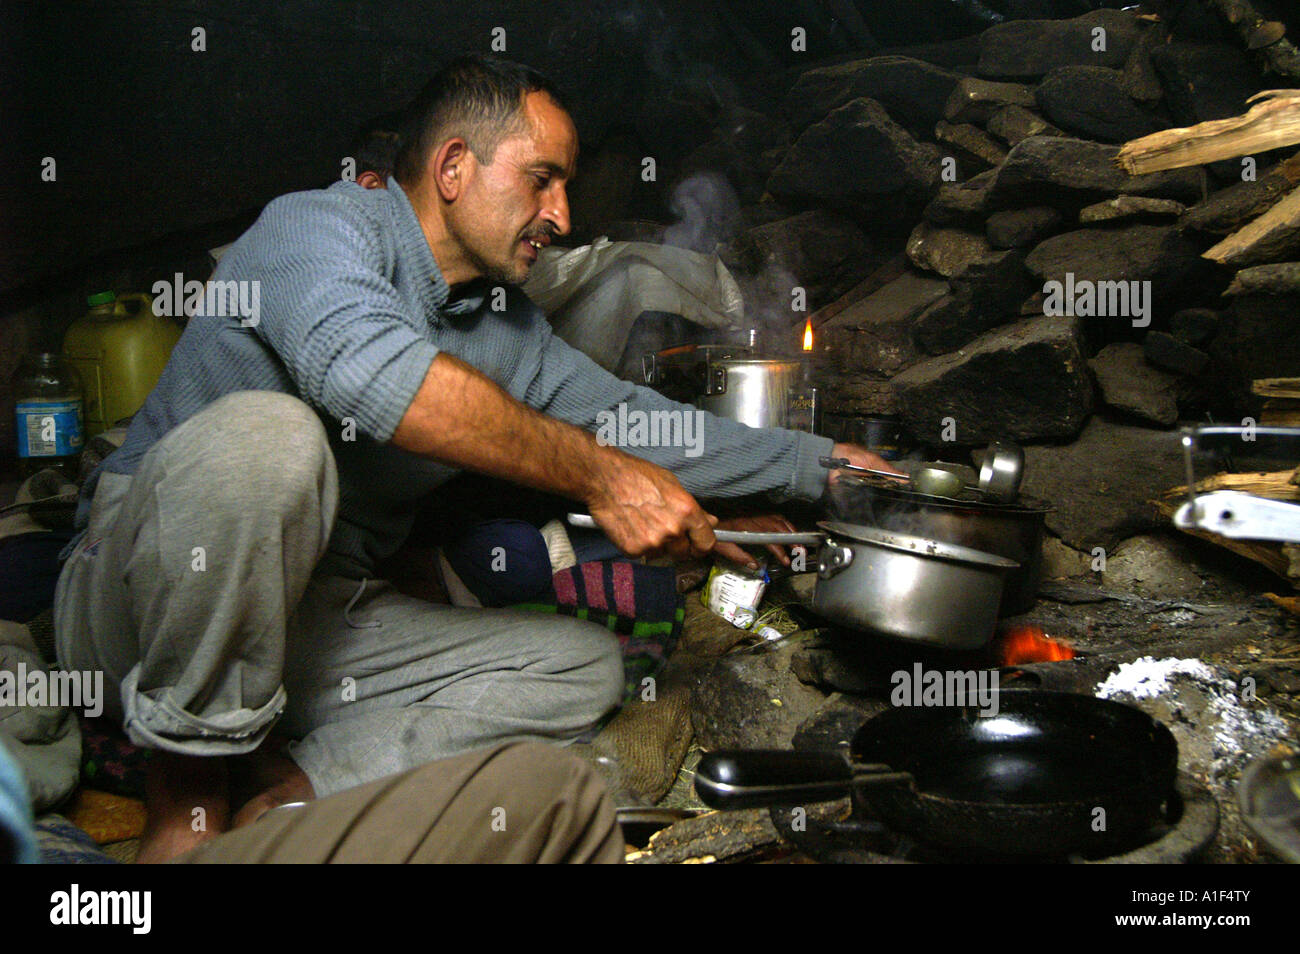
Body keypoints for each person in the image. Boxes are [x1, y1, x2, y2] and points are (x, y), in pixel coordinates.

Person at [53, 53, 896, 862]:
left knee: (578, 668)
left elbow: (632, 420)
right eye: (543, 180)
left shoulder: (504, 325)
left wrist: (818, 466)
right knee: (270, 438)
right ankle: (187, 801)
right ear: (454, 167)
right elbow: (384, 383)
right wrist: (602, 478)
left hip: (310, 616)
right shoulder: (313, 229)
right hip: (140, 597)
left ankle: (288, 795)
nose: (564, 214)